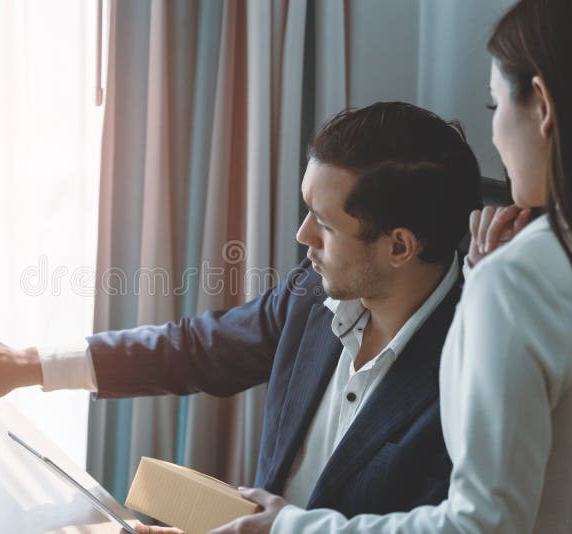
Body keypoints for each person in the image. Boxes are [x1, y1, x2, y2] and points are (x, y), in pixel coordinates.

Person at [0, 102, 483, 518]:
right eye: (308, 208)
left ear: (400, 246)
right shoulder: (314, 294)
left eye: (325, 224)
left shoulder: (475, 367)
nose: (302, 234)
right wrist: (27, 365)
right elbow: (197, 348)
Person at [208, 0, 572, 532]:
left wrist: (287, 527)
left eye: (495, 107)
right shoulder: (514, 276)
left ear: (541, 105)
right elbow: (203, 343)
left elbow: (482, 524)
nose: (494, 135)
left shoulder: (512, 281)